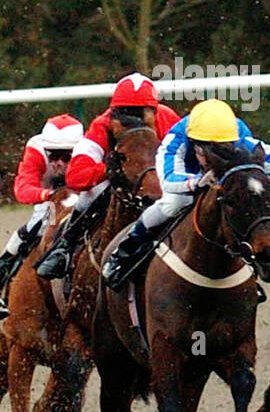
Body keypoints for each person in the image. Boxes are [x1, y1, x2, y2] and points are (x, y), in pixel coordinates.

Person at [101, 99, 270, 290]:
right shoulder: (176, 139)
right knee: (172, 203)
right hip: (187, 181)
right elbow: (169, 180)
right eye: (206, 149)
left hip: (227, 182)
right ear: (193, 142)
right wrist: (196, 183)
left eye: (222, 148)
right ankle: (124, 253)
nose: (212, 155)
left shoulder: (241, 138)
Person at [35, 72, 182, 279]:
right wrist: (109, 170)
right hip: (118, 181)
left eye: (140, 113)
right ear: (114, 111)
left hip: (157, 176)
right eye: (126, 113)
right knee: (91, 193)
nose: (134, 120)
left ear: (153, 111)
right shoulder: (101, 125)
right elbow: (76, 178)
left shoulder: (168, 120)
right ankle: (64, 247)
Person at [0, 114, 83, 318]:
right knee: (33, 228)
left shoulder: (89, 149)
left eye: (66, 156)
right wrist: (46, 195)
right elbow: (22, 188)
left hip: (81, 195)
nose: (57, 163)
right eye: (52, 155)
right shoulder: (35, 150)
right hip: (48, 200)